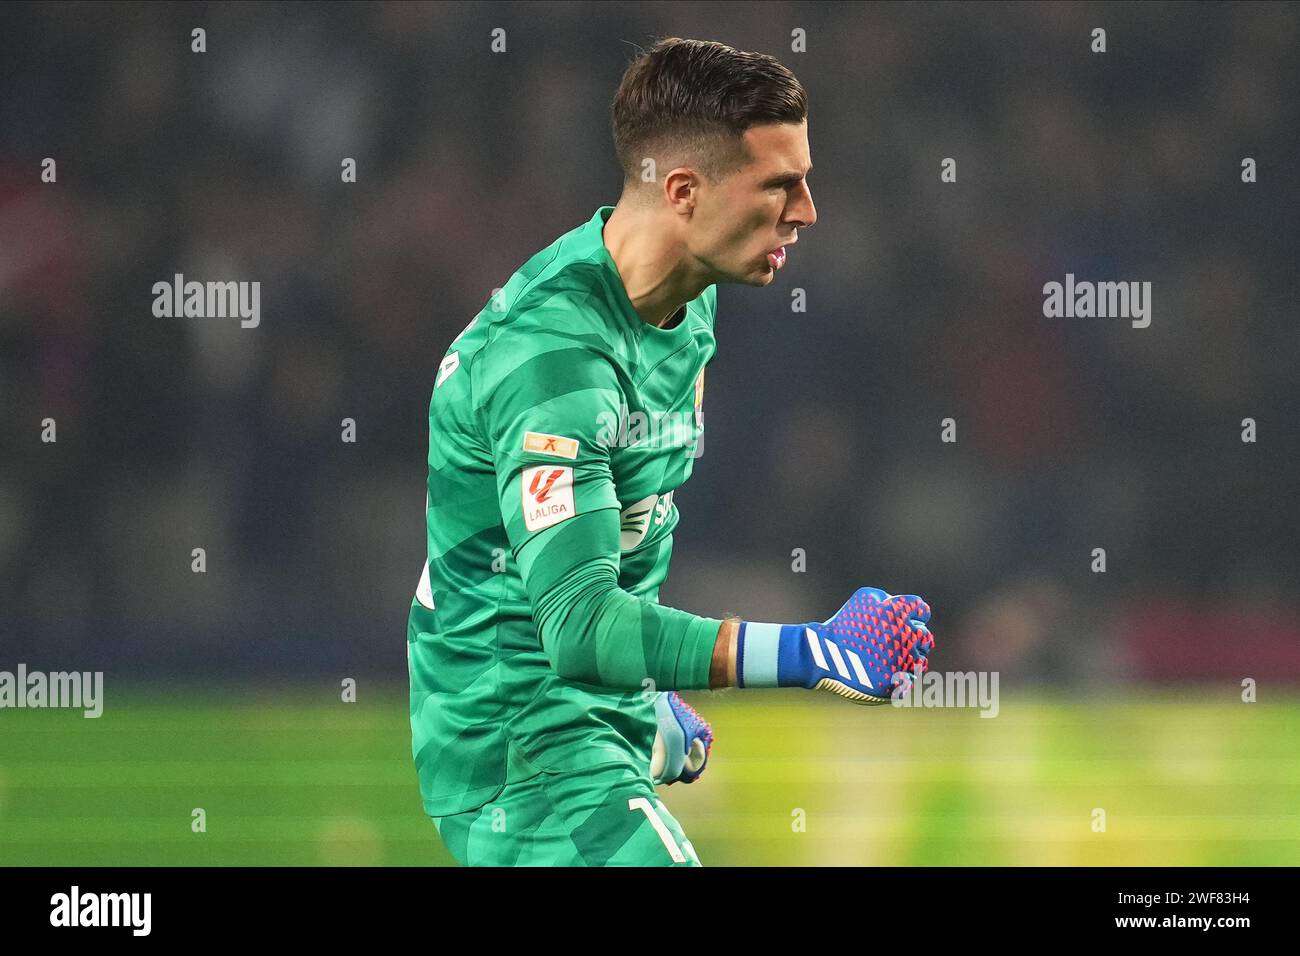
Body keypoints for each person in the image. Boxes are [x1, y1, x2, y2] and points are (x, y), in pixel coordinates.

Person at [408, 36, 935, 867]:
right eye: (780, 185)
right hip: (524, 751)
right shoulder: (552, 361)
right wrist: (806, 652)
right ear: (683, 191)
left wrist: (642, 698)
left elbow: (622, 531)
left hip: (586, 718)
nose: (807, 210)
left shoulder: (688, 304)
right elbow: (579, 625)